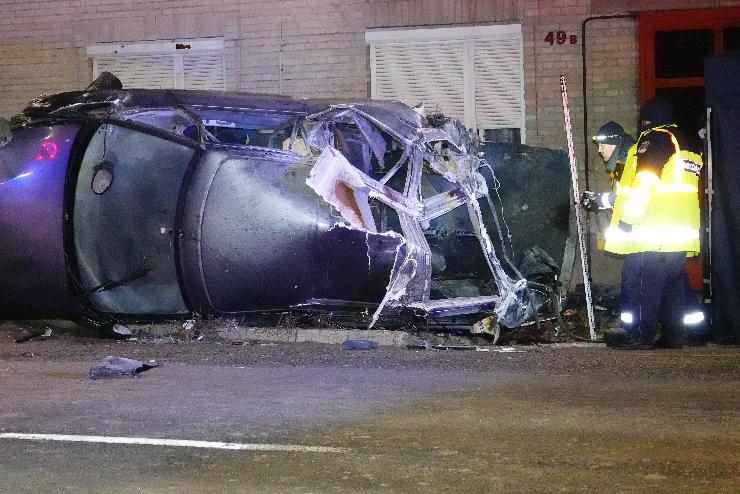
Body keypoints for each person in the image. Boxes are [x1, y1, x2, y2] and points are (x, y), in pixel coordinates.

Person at [581, 97, 708, 348]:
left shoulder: (656, 140)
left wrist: (628, 220)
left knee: (641, 286)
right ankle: (672, 337)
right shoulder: (687, 145)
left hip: (652, 233)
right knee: (672, 291)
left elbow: (645, 184)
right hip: (678, 236)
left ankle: (640, 336)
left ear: (648, 121)